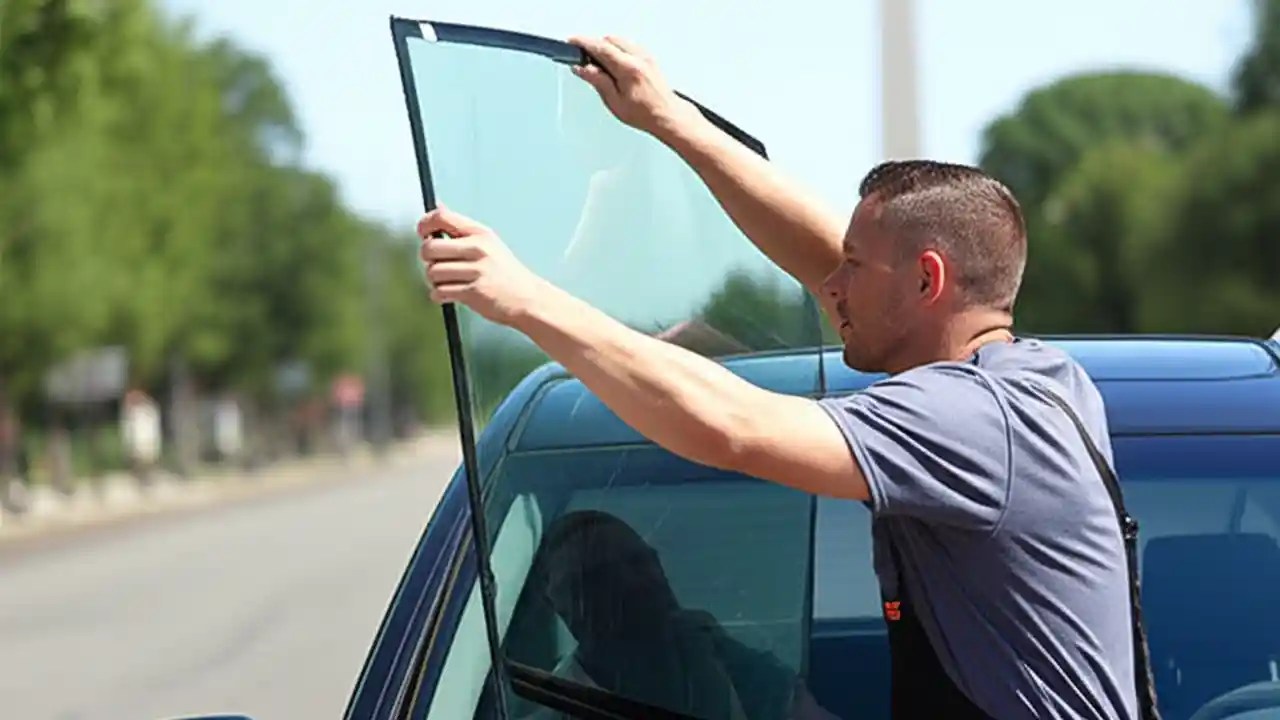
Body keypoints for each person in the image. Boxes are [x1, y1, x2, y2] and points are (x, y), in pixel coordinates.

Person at [416, 35, 1149, 719]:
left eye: (854, 270)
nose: (832, 288)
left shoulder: (971, 419)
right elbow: (826, 255)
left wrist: (524, 298)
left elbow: (732, 428)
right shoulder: (1041, 381)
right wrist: (672, 121)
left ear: (928, 282)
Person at [521, 510, 837, 720]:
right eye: (601, 576)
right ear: (562, 607)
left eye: (638, 562)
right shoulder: (554, 704)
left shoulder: (735, 669)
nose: (634, 584)